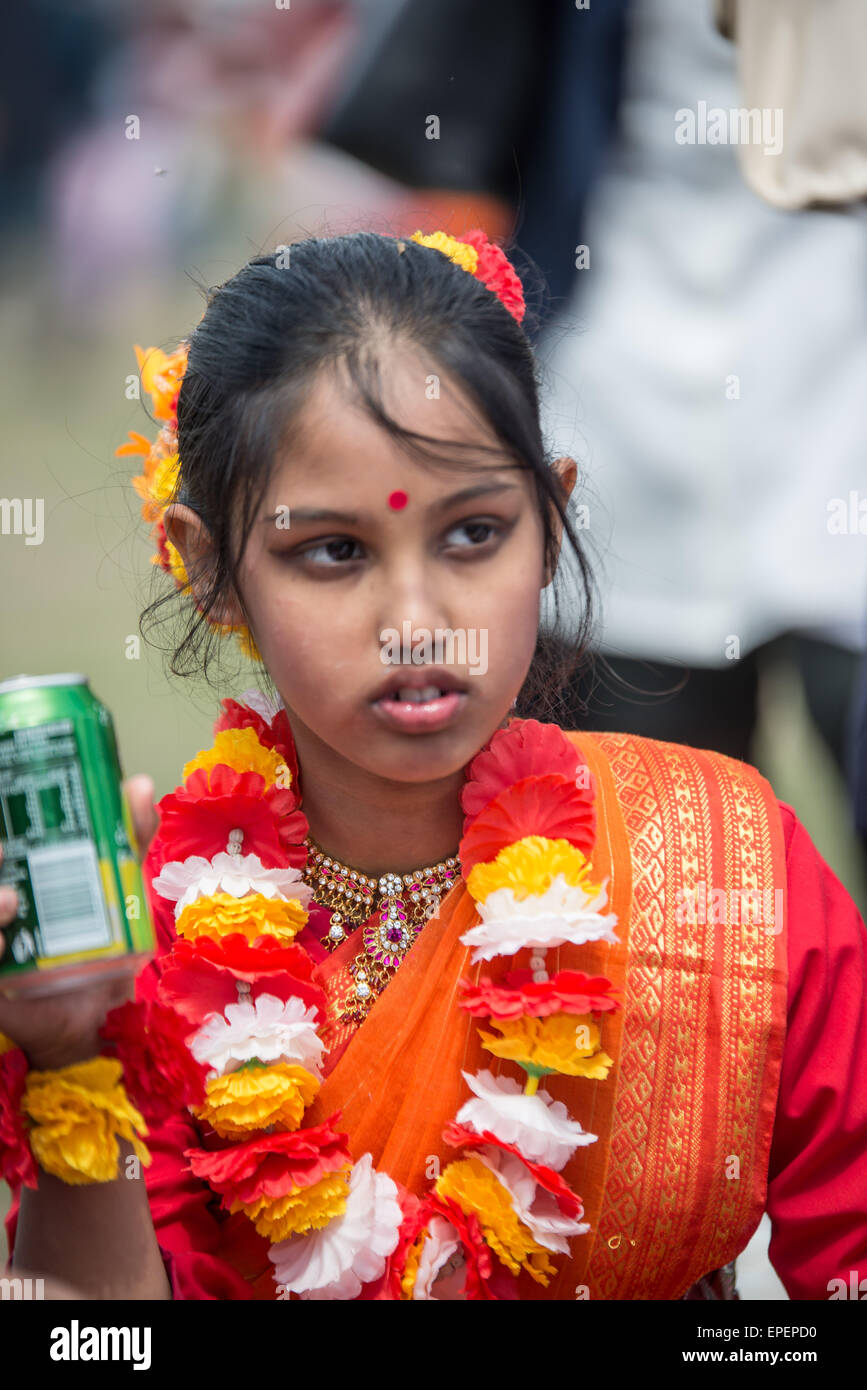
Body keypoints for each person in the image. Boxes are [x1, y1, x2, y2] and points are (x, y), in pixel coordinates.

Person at [1, 228, 866, 1300]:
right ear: (208, 568)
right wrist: (69, 1058)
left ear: (549, 522)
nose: (418, 624)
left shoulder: (726, 871)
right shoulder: (144, 947)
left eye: (472, 536)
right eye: (335, 551)